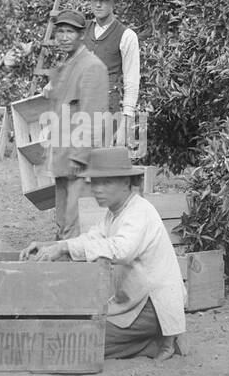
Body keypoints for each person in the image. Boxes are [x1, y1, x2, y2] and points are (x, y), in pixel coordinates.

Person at [22, 146, 186, 360]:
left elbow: (122, 250)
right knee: (80, 327)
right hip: (131, 301)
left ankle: (153, 340)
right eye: (95, 182)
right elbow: (91, 238)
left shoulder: (139, 212)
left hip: (151, 305)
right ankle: (148, 341)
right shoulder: (114, 214)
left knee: (80, 342)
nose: (98, 189)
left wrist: (63, 247)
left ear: (127, 183)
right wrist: (51, 247)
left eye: (106, 182)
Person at [43, 9, 109, 240]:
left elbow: (93, 116)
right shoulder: (68, 64)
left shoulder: (92, 66)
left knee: (75, 223)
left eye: (69, 31)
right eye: (59, 31)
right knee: (62, 221)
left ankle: (75, 268)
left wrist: (79, 157)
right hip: (63, 155)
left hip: (77, 161)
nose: (63, 37)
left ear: (82, 34)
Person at [81, 0, 140, 147]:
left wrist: (126, 122)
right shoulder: (81, 30)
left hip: (107, 112)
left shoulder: (127, 36)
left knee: (103, 168)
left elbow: (131, 81)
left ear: (114, 1)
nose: (98, 4)